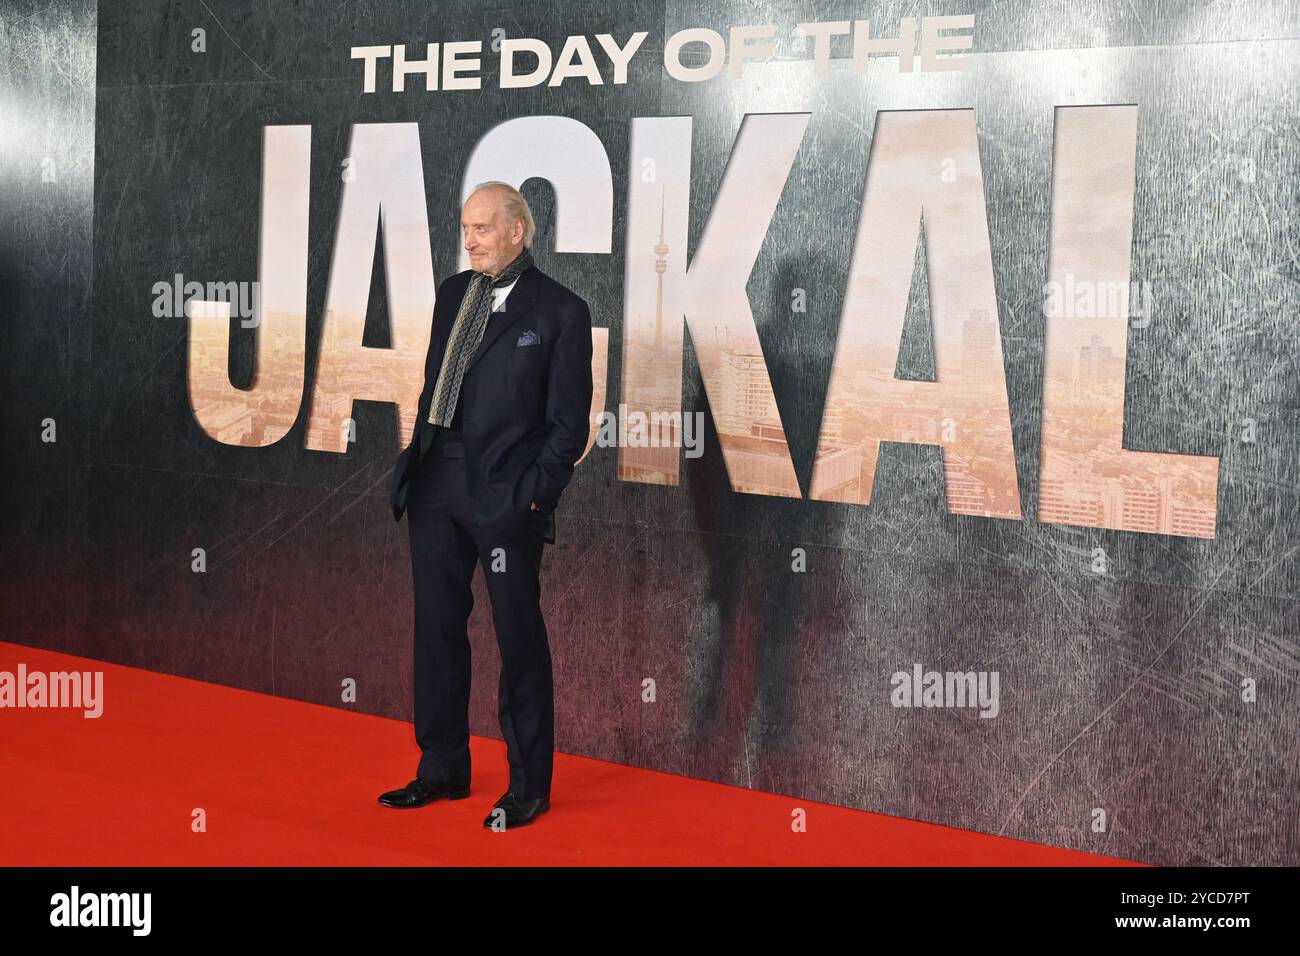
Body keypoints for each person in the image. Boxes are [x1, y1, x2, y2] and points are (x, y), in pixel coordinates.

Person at [382, 181, 593, 829]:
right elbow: (435, 386)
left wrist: (531, 499)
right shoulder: (454, 294)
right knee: (437, 630)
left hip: (505, 496)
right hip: (437, 486)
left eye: (481, 227)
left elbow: (568, 427)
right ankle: (441, 767)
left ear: (517, 232)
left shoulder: (561, 311)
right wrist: (419, 467)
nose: (468, 238)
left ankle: (528, 785)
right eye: (464, 226)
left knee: (517, 636)